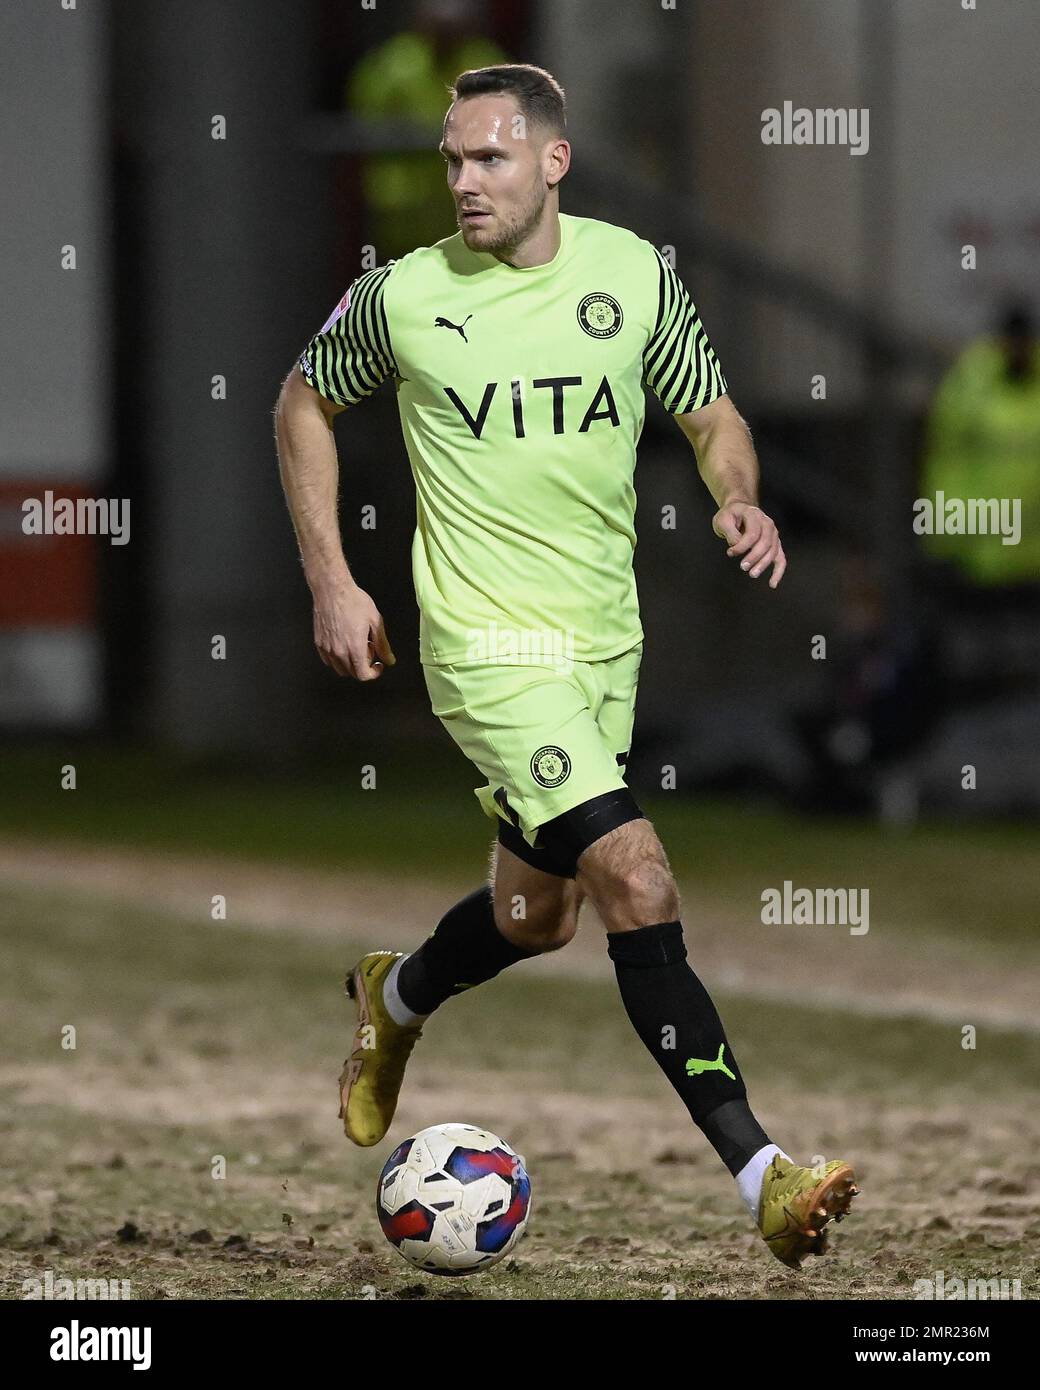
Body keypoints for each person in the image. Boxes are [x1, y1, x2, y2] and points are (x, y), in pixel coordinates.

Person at [274, 64, 858, 1270]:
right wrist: (334, 580)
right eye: (449, 160)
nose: (460, 182)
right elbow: (297, 403)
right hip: (486, 650)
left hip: (602, 644)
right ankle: (765, 1175)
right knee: (634, 873)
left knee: (532, 919)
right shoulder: (402, 294)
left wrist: (737, 500)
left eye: (486, 158)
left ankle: (392, 1002)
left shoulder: (632, 274)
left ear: (552, 161)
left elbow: (710, 416)